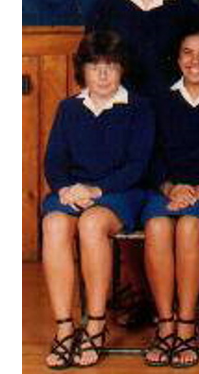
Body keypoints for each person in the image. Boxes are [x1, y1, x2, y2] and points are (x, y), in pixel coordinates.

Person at [40, 31, 153, 369]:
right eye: (94, 66)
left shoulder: (139, 107)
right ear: (83, 71)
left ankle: (96, 323)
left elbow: (137, 165)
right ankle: (64, 327)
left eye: (111, 66)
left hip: (121, 192)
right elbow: (54, 162)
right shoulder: (69, 108)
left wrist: (96, 191)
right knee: (55, 222)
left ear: (122, 70)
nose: (103, 75)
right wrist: (65, 189)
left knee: (91, 224)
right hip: (74, 192)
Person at [140, 27, 199, 367]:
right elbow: (149, 157)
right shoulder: (160, 101)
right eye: (188, 52)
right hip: (168, 189)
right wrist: (170, 188)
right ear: (178, 58)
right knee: (157, 226)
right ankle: (165, 322)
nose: (195, 61)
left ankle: (186, 324)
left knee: (188, 227)